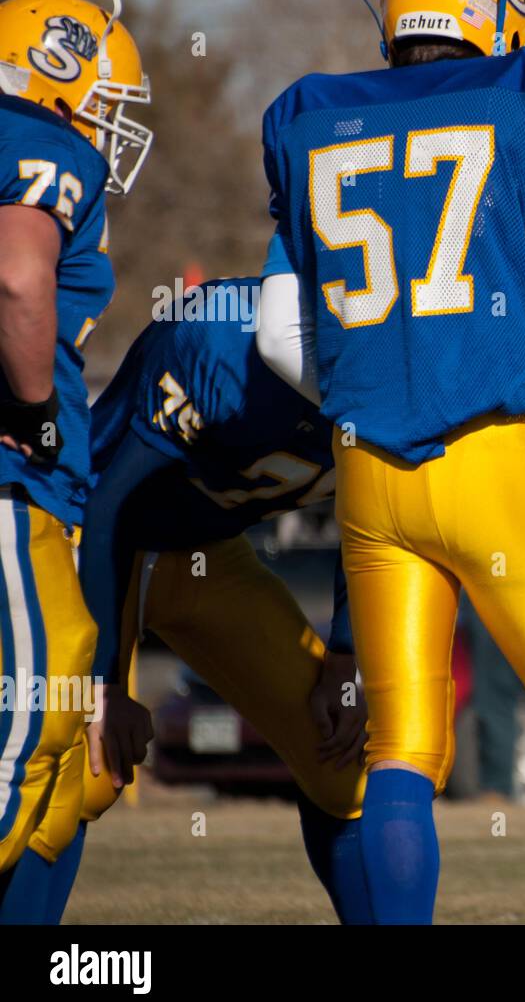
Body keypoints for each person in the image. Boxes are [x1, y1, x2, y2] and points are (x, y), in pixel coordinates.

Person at [255, 0, 525, 925]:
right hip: (496, 454)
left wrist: (372, 385)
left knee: (401, 746)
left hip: (369, 476)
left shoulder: (309, 112)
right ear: (497, 14)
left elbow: (274, 335)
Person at [5, 279, 371, 924]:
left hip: (208, 554)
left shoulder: (391, 360)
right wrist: (104, 687)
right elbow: (114, 505)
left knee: (345, 761)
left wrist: (345, 653)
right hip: (95, 546)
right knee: (84, 774)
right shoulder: (220, 337)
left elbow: (373, 517)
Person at [0, 0, 151, 919]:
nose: (107, 125)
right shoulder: (43, 144)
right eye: (103, 101)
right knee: (32, 723)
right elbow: (18, 276)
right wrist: (37, 413)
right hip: (13, 478)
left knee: (59, 710)